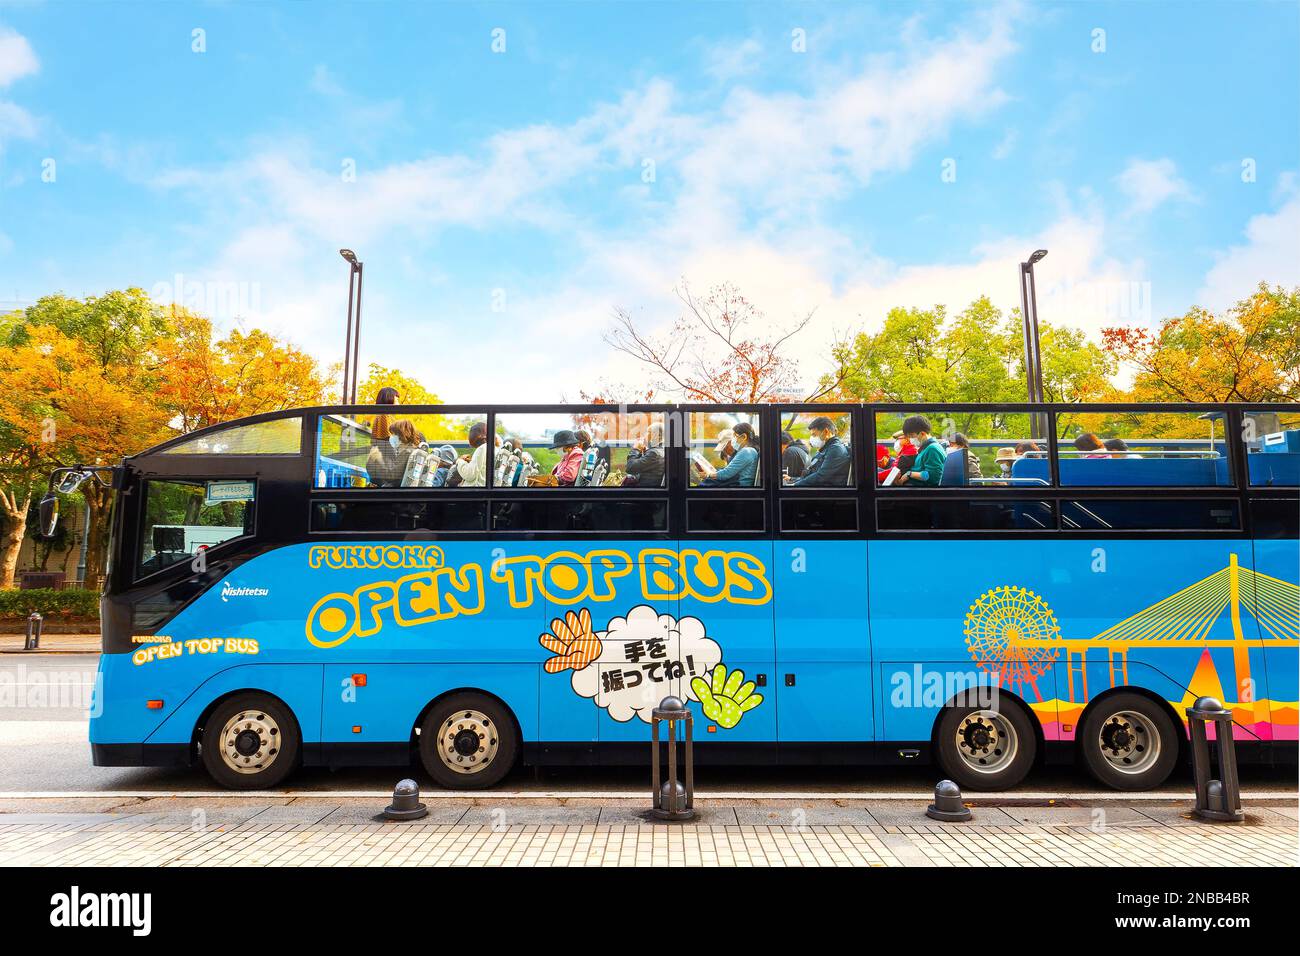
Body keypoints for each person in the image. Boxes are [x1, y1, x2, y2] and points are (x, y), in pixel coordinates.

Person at [791, 416, 851, 486]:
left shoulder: (836, 449)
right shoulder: (825, 449)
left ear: (826, 432)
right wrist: (793, 480)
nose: (812, 439)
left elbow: (821, 476)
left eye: (814, 435)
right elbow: (811, 473)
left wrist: (795, 485)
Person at [892, 415, 945, 487]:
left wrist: (909, 474)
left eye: (911, 436)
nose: (910, 439)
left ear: (922, 433)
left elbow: (933, 477)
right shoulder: (925, 448)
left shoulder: (932, 449)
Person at [366, 418, 420, 488]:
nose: (391, 437)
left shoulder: (407, 452)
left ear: (402, 434)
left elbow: (390, 476)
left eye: (394, 434)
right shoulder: (412, 450)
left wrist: (377, 460)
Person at [624, 423, 665, 487]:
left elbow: (630, 468)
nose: (645, 434)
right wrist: (643, 451)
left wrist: (636, 449)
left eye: (648, 432)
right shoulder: (660, 450)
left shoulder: (654, 454)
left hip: (644, 491)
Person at [455, 422, 490, 486]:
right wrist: (470, 462)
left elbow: (470, 474)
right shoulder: (493, 448)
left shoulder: (482, 448)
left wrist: (460, 461)